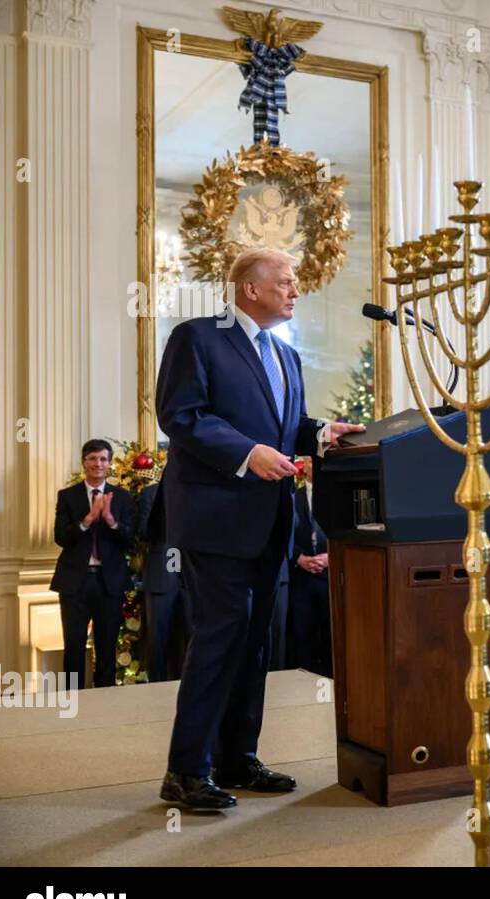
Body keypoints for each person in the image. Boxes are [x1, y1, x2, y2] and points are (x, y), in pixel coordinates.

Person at [155, 248, 364, 811]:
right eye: (287, 283)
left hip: (271, 521)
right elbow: (181, 414)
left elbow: (286, 427)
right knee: (220, 638)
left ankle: (237, 758)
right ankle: (185, 770)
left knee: (254, 646)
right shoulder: (197, 338)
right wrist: (248, 453)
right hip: (216, 518)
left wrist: (321, 433)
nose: (297, 291)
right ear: (251, 288)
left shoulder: (285, 355)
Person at [51, 439, 136, 691]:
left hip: (109, 582)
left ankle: (104, 701)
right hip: (75, 581)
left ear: (109, 464)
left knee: (107, 644)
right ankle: (72, 699)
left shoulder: (122, 497)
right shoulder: (68, 496)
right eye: (92, 458)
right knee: (74, 645)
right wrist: (87, 519)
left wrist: (110, 520)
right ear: (84, 462)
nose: (97, 464)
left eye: (102, 459)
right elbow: (61, 537)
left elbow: (130, 539)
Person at [136, 478, 187, 682]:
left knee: (194, 638)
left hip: (194, 579)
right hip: (161, 576)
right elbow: (143, 532)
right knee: (157, 641)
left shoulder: (201, 490)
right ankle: (155, 687)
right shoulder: (151, 493)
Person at [288, 458, 331, 677]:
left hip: (330, 578)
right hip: (301, 579)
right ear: (305, 465)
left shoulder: (335, 497)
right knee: (303, 635)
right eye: (313, 462)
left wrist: (330, 557)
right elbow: (284, 535)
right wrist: (299, 558)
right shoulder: (293, 498)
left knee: (330, 636)